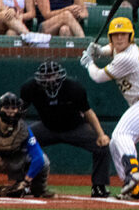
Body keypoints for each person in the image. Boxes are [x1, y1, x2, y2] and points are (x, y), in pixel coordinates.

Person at [80, 17, 139, 200]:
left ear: (131, 36)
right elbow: (111, 49)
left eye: (124, 34)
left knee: (122, 135)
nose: (120, 38)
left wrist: (89, 62)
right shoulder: (125, 49)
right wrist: (99, 50)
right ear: (111, 37)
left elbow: (98, 76)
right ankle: (132, 189)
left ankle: (132, 171)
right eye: (115, 35)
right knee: (115, 143)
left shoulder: (127, 57)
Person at [20, 60, 113, 198]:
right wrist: (16, 133)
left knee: (102, 145)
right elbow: (20, 111)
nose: (50, 79)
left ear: (60, 75)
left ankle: (98, 186)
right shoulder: (30, 87)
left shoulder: (73, 87)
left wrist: (100, 134)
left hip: (75, 127)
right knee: (21, 142)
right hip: (47, 127)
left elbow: (88, 112)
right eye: (46, 76)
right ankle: (24, 184)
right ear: (39, 77)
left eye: (53, 75)